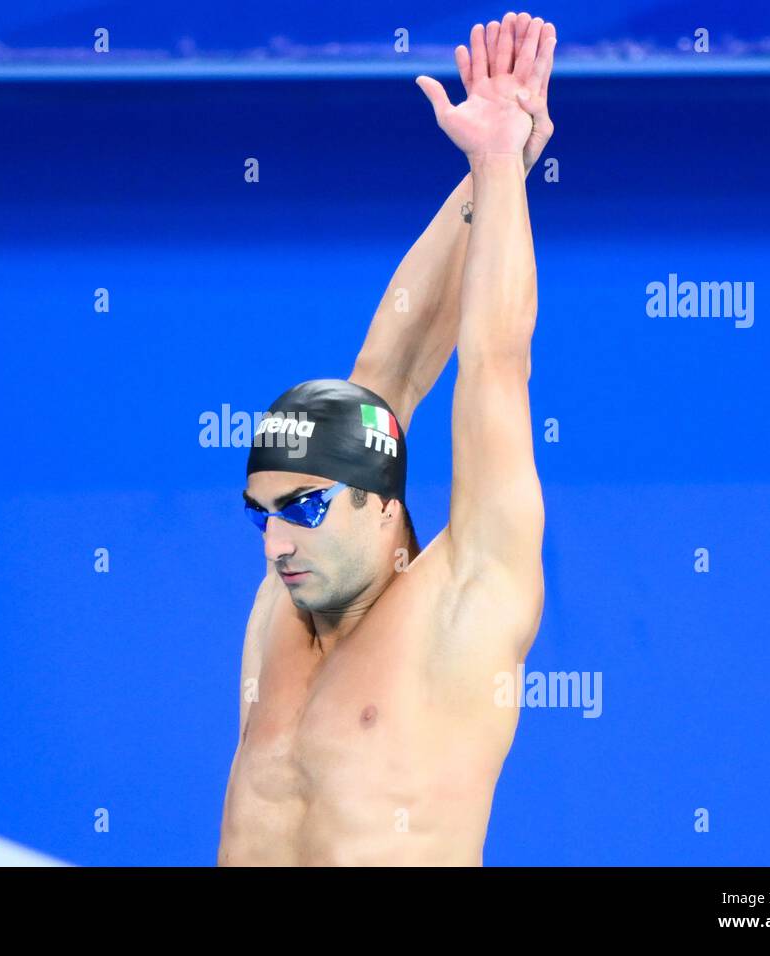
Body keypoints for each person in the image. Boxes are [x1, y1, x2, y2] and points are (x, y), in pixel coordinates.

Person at [217, 12, 558, 866]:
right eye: (261, 516)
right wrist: (488, 171)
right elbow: (385, 371)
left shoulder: (464, 605)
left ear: (382, 501)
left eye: (302, 505)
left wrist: (502, 165)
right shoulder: (284, 613)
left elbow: (493, 362)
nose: (279, 542)